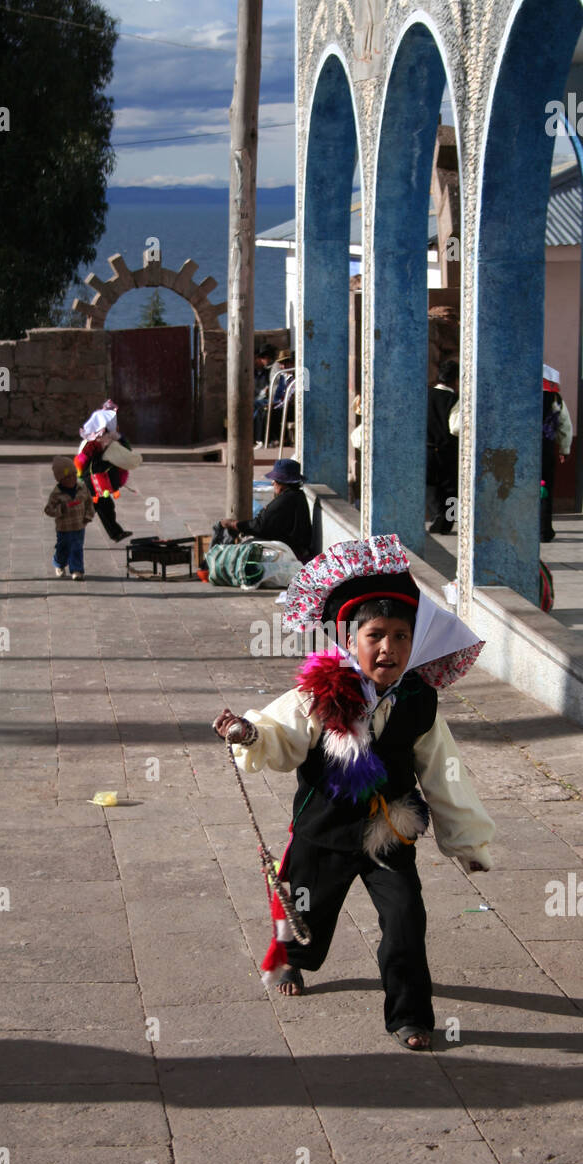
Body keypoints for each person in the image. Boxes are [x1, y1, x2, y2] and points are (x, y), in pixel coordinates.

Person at [212, 534, 495, 1051]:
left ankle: (410, 1016)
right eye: (376, 635)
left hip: (388, 830)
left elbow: (444, 772)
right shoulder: (318, 694)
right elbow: (281, 736)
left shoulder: (418, 702)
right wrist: (249, 734)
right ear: (351, 639)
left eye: (402, 637)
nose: (389, 648)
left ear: (416, 642)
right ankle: (293, 962)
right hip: (322, 827)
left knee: (406, 919)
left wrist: (467, 842)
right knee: (303, 912)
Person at [216, 457, 312, 563]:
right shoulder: (296, 495)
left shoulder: (286, 499)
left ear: (281, 484)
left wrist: (234, 524)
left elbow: (260, 526)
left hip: (290, 550)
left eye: (275, 481)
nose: (272, 484)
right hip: (295, 546)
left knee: (242, 551)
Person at [74, 402, 132, 543]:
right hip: (92, 481)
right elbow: (81, 461)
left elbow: (126, 451)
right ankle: (69, 536)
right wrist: (80, 476)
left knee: (103, 507)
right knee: (93, 509)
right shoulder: (93, 444)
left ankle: (115, 533)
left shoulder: (108, 441)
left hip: (99, 482)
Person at [44, 454, 94, 580]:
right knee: (63, 548)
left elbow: (89, 502)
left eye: (74, 475)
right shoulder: (56, 494)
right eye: (68, 477)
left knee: (77, 547)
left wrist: (88, 516)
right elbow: (48, 509)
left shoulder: (82, 488)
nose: (72, 479)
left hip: (79, 525)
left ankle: (77, 570)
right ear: (60, 480)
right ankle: (59, 563)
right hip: (64, 528)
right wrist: (60, 510)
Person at [426, 359, 459, 534]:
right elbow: (456, 428)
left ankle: (436, 514)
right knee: (452, 488)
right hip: (448, 450)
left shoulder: (426, 395)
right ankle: (448, 521)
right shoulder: (454, 399)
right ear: (456, 380)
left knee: (429, 484)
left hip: (427, 448)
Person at [541, 365, 573, 543]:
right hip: (545, 450)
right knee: (544, 488)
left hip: (520, 453)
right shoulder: (555, 399)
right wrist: (564, 449)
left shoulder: (519, 394)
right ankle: (544, 530)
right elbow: (565, 425)